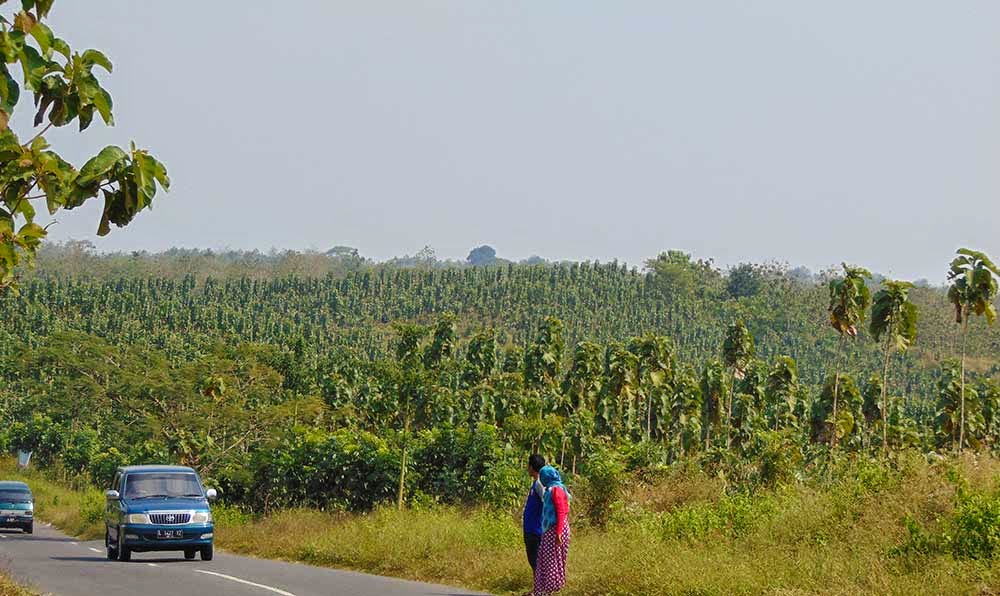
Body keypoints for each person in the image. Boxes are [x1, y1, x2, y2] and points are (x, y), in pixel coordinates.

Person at [533, 465, 570, 595]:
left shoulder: (556, 490)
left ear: (546, 477)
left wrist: (558, 533)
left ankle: (551, 589)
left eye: (542, 476)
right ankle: (544, 590)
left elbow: (561, 511)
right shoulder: (550, 489)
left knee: (551, 560)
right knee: (545, 559)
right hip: (550, 529)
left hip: (555, 529)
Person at [522, 454, 546, 572]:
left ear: (531, 467)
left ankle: (539, 589)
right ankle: (537, 588)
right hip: (531, 528)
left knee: (535, 560)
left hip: (535, 529)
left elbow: (546, 502)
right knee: (533, 560)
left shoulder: (539, 484)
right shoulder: (536, 483)